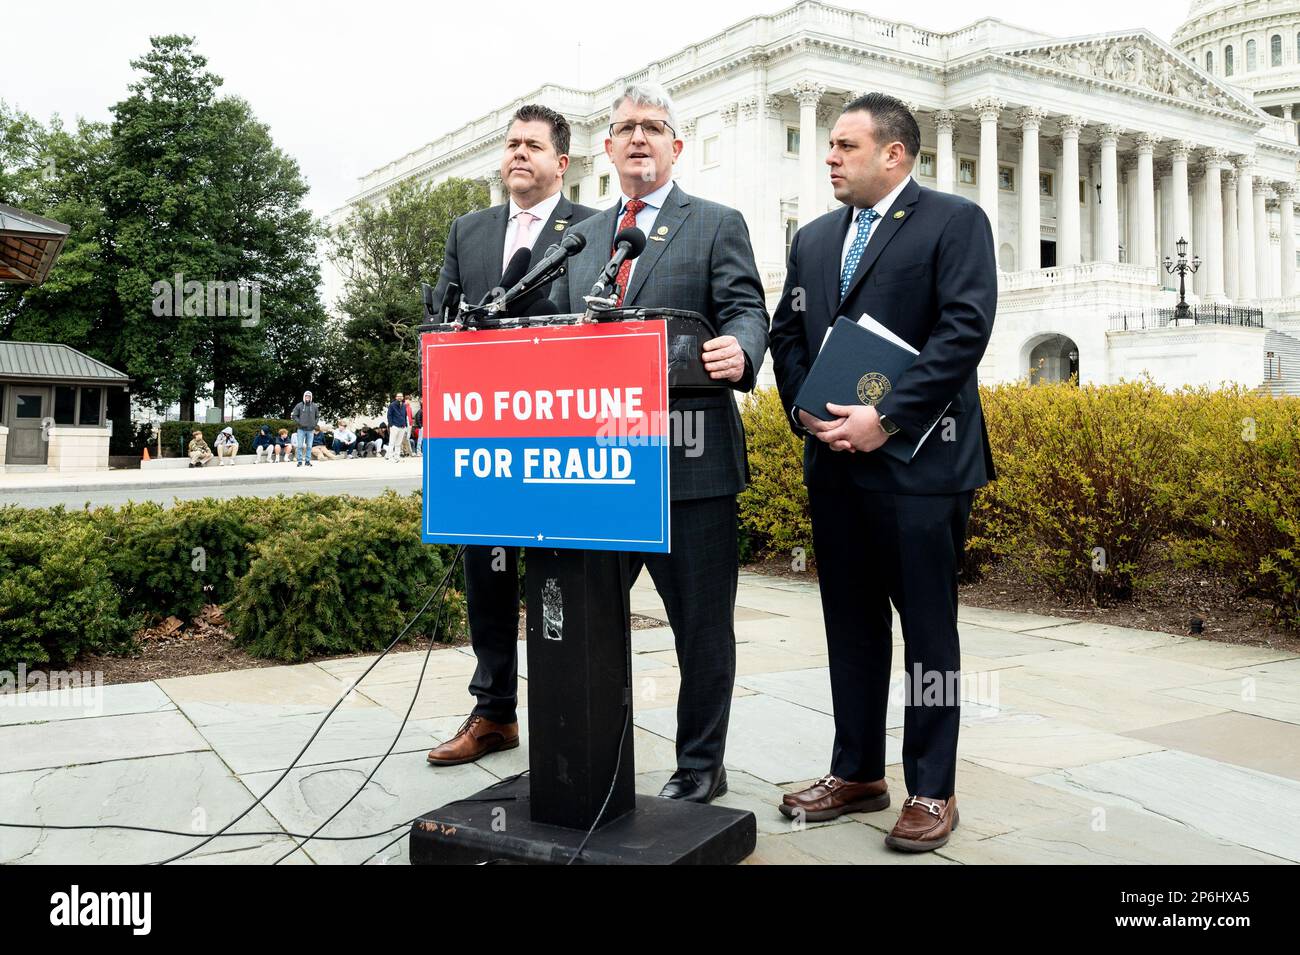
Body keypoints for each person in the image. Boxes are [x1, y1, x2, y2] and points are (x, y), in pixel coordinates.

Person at [770, 93, 997, 852]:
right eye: (829, 146)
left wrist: (887, 417)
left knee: (929, 632)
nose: (828, 157)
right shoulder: (811, 240)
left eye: (844, 145)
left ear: (894, 154)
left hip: (921, 467)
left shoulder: (953, 222)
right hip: (833, 466)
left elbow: (963, 330)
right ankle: (858, 770)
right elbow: (786, 332)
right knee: (852, 626)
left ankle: (933, 787)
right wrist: (803, 407)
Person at [544, 83, 769, 804]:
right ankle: (591, 759)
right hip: (600, 467)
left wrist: (740, 347)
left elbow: (745, 307)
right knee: (586, 625)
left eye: (654, 127)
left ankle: (701, 765)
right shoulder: (578, 239)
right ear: (606, 148)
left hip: (691, 464)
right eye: (625, 128)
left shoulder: (715, 222)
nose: (639, 137)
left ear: (677, 144)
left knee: (701, 630)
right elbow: (556, 335)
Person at [425, 103, 599, 768]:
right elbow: (438, 310)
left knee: (562, 579)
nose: (517, 154)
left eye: (532, 145)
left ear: (562, 161)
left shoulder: (592, 228)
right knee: (488, 574)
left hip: (564, 438)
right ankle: (493, 711)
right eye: (510, 144)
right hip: (485, 439)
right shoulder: (468, 230)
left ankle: (570, 712)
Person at [291, 390, 320, 468]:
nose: (307, 397)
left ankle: (307, 461)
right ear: (304, 397)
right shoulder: (299, 405)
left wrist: (315, 424)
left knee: (309, 446)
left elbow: (317, 416)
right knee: (300, 446)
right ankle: (299, 461)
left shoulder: (314, 406)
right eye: (306, 396)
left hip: (310, 430)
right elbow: (294, 415)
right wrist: (300, 422)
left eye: (309, 396)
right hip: (301, 429)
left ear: (311, 397)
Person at [386, 392, 409, 462]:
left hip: (402, 426)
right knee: (392, 442)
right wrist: (391, 425)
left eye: (401, 396)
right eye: (398, 396)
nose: (400, 397)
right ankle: (390, 457)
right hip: (395, 426)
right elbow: (389, 415)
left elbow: (405, 415)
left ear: (403, 398)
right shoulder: (392, 405)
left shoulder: (404, 405)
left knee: (398, 443)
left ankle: (397, 456)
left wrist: (405, 425)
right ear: (396, 397)